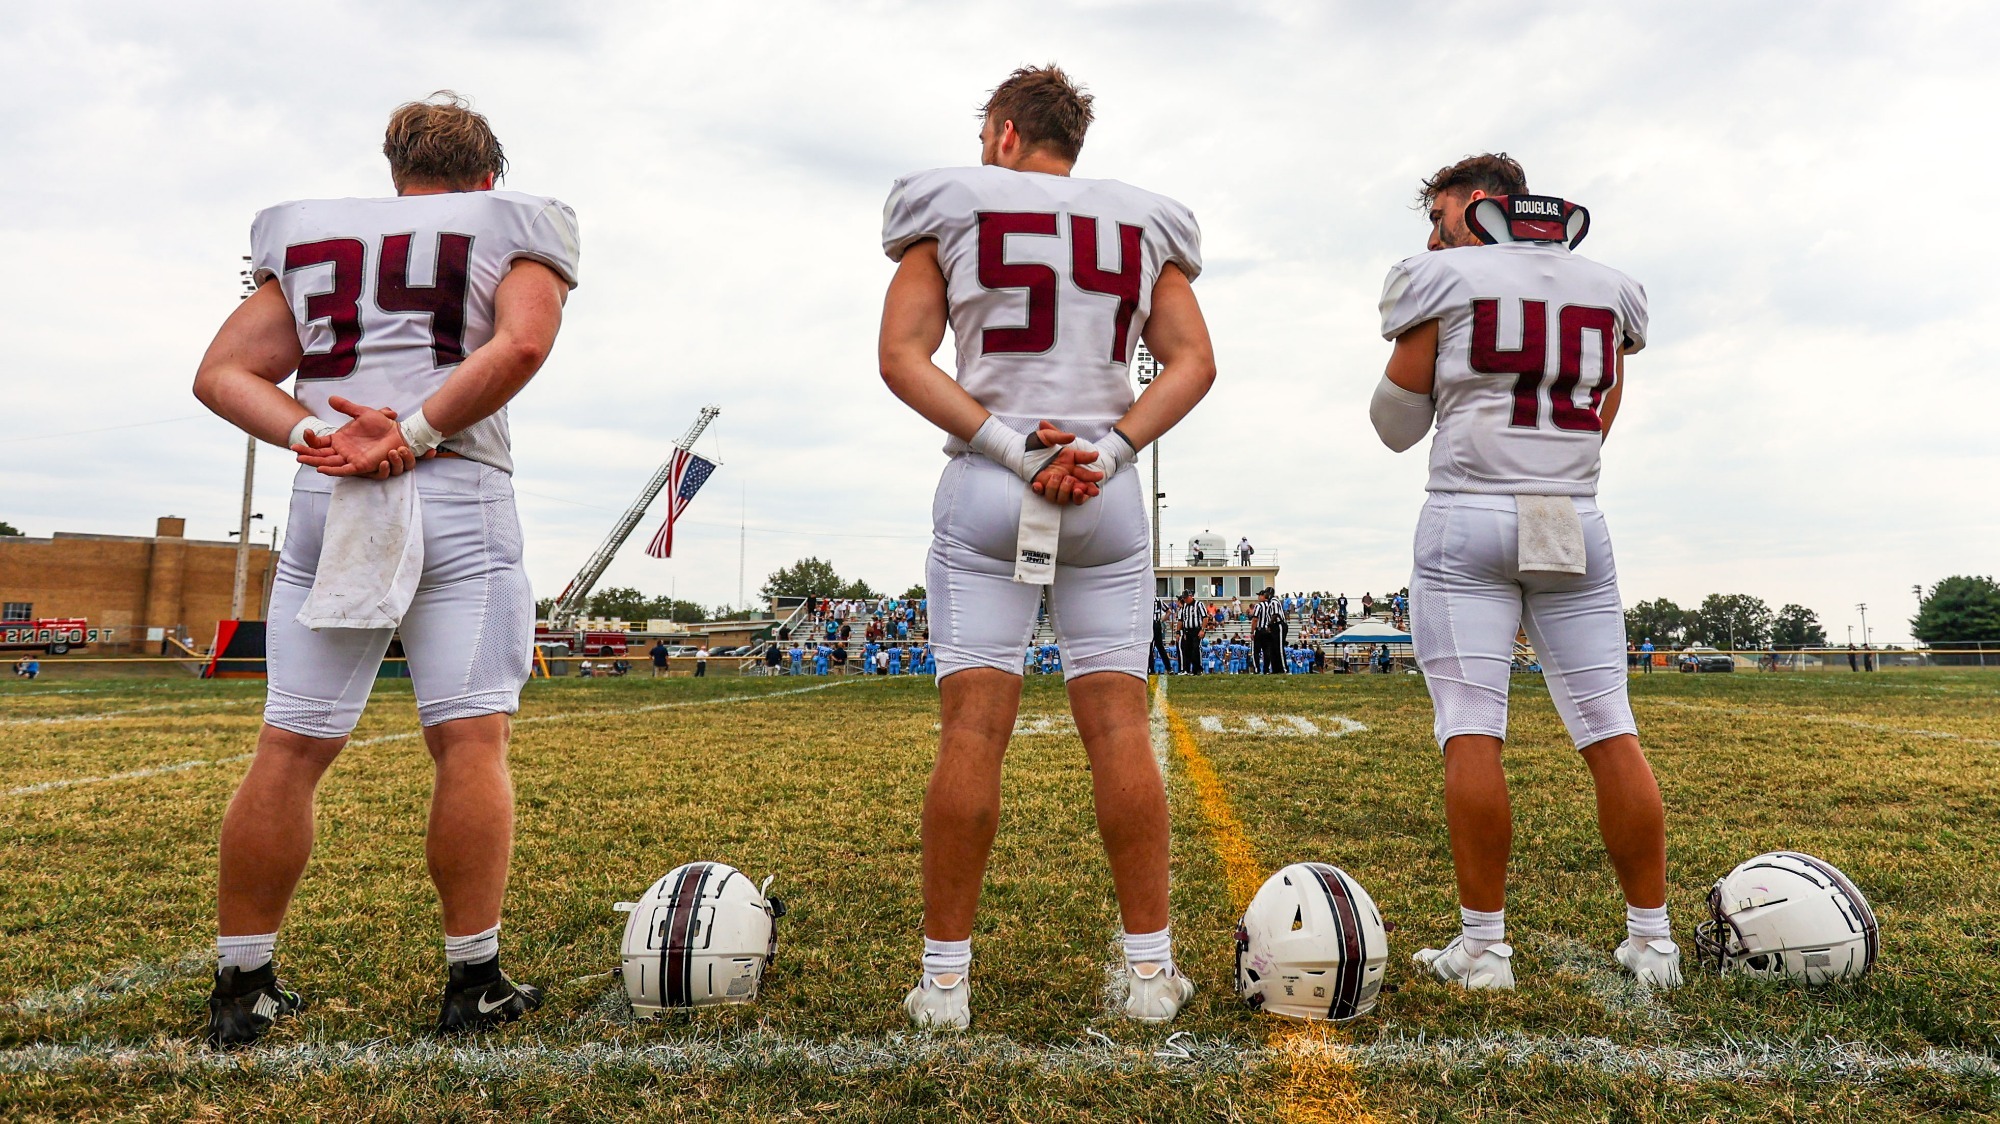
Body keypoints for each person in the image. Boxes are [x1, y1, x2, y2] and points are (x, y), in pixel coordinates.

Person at [189, 93, 575, 1045]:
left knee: (290, 744)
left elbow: (221, 372)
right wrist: (407, 434)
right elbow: (523, 339)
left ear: (395, 177)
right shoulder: (511, 225)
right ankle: (472, 977)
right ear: (489, 180)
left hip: (334, 497)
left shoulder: (324, 246)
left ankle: (243, 984)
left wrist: (321, 434)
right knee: (470, 743)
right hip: (453, 486)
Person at [878, 65, 1215, 1028]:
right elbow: (1194, 360)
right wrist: (1104, 450)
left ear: (1003, 130)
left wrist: (1014, 449)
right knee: (1119, 732)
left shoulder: (951, 203)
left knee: (973, 732)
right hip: (1104, 492)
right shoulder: (1141, 220)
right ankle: (1150, 974)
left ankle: (945, 983)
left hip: (994, 480)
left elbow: (902, 355)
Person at [1370, 152, 1677, 991]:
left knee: (1472, 727)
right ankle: (1653, 942)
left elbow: (1393, 426)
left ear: (1477, 204)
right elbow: (1605, 401)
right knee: (1609, 726)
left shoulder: (1444, 279)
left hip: (1468, 513)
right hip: (1571, 513)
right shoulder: (1611, 287)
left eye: (1438, 216)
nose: (1432, 235)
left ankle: (1484, 947)